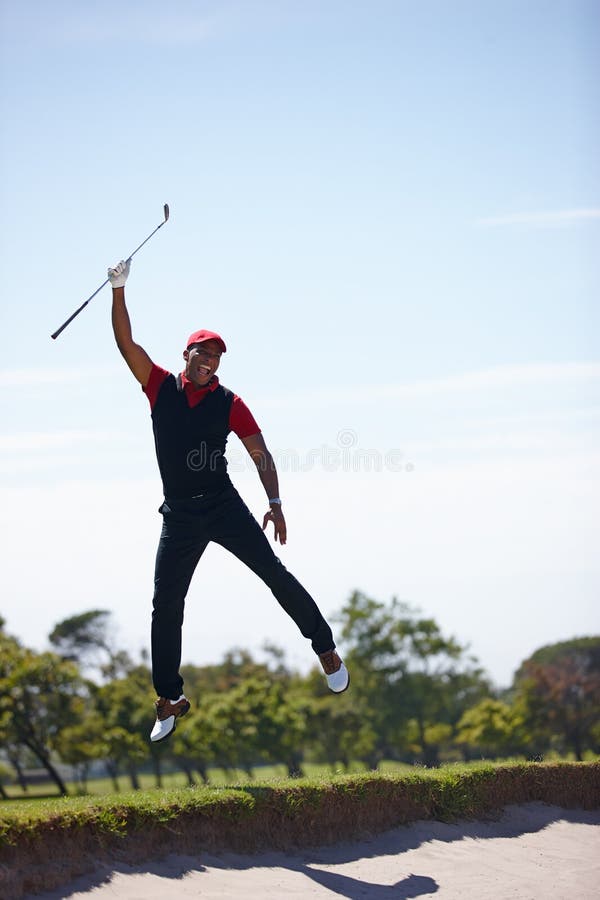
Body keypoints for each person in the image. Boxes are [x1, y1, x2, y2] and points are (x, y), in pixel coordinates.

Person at [108, 259, 349, 742]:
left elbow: (259, 451)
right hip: (179, 513)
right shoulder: (159, 386)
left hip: (222, 504)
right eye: (203, 352)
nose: (209, 361)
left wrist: (275, 502)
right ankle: (168, 698)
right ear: (187, 353)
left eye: (216, 356)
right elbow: (125, 343)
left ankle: (325, 649)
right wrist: (118, 289)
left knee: (273, 574)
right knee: (165, 605)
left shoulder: (229, 402)